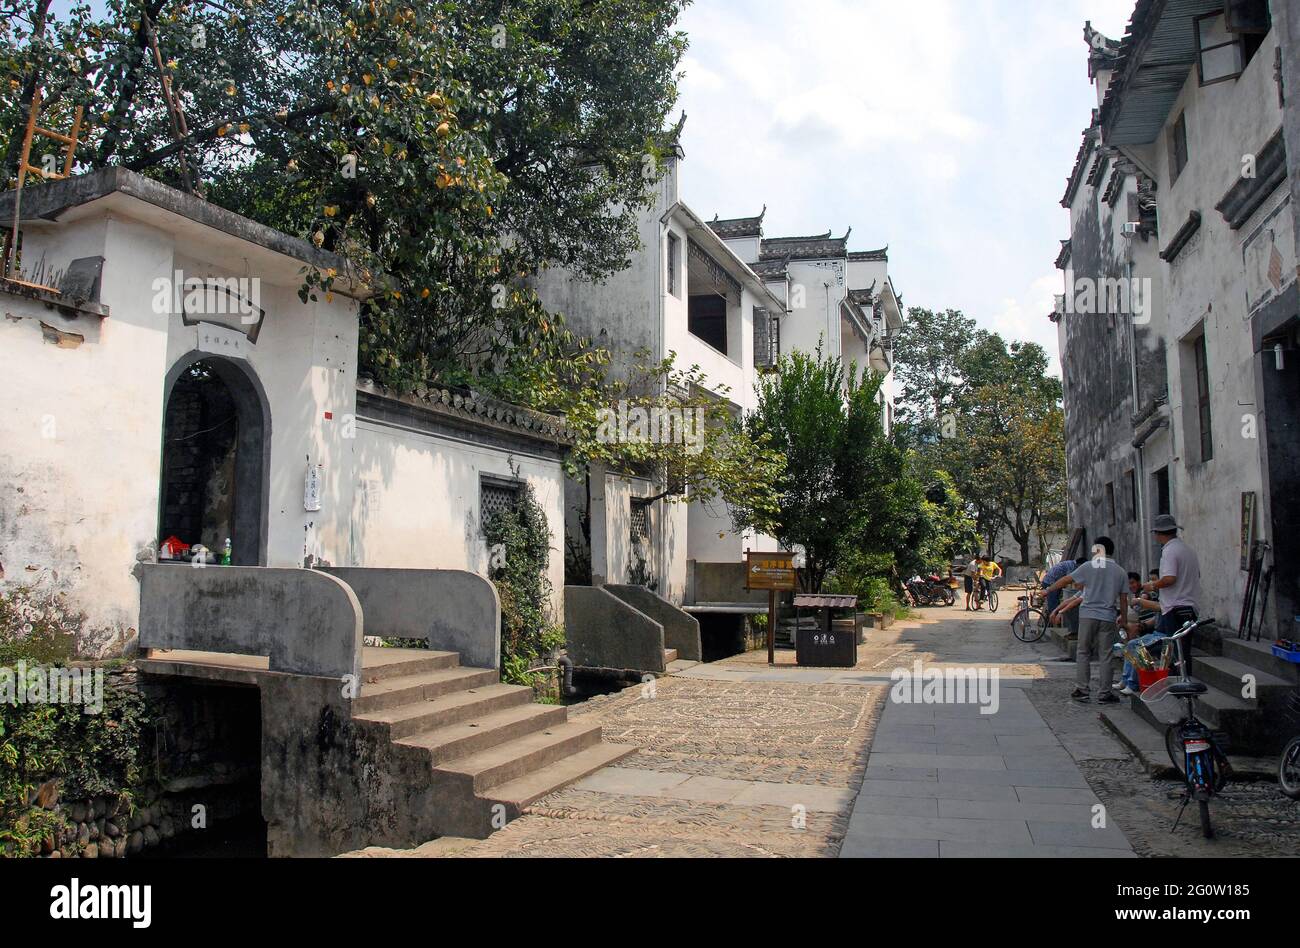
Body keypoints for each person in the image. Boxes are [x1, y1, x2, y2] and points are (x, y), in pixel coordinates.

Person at [1045, 536, 1129, 703]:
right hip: (1108, 616)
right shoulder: (1120, 571)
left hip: (1088, 615)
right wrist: (1124, 620)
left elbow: (1066, 580)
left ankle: (1082, 689)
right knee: (1106, 654)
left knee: (1083, 652)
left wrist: (1048, 590)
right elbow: (1124, 600)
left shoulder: (1088, 567)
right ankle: (1105, 693)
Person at [1144, 514, 1201, 672]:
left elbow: (1169, 579)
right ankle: (1185, 681)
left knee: (1176, 651)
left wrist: (1153, 585)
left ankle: (1181, 683)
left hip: (1175, 607)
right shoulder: (1187, 550)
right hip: (1190, 605)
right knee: (1184, 650)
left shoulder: (1169, 551)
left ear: (1159, 533)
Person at [1119, 572, 1162, 696]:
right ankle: (1126, 680)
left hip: (1162, 634)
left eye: (1154, 580)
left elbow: (1157, 608)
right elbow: (1156, 618)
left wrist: (1139, 601)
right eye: (1150, 580)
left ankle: (1132, 684)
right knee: (1131, 644)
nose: (1150, 583)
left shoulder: (1149, 595)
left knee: (1137, 646)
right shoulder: (1159, 596)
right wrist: (1142, 625)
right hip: (1154, 631)